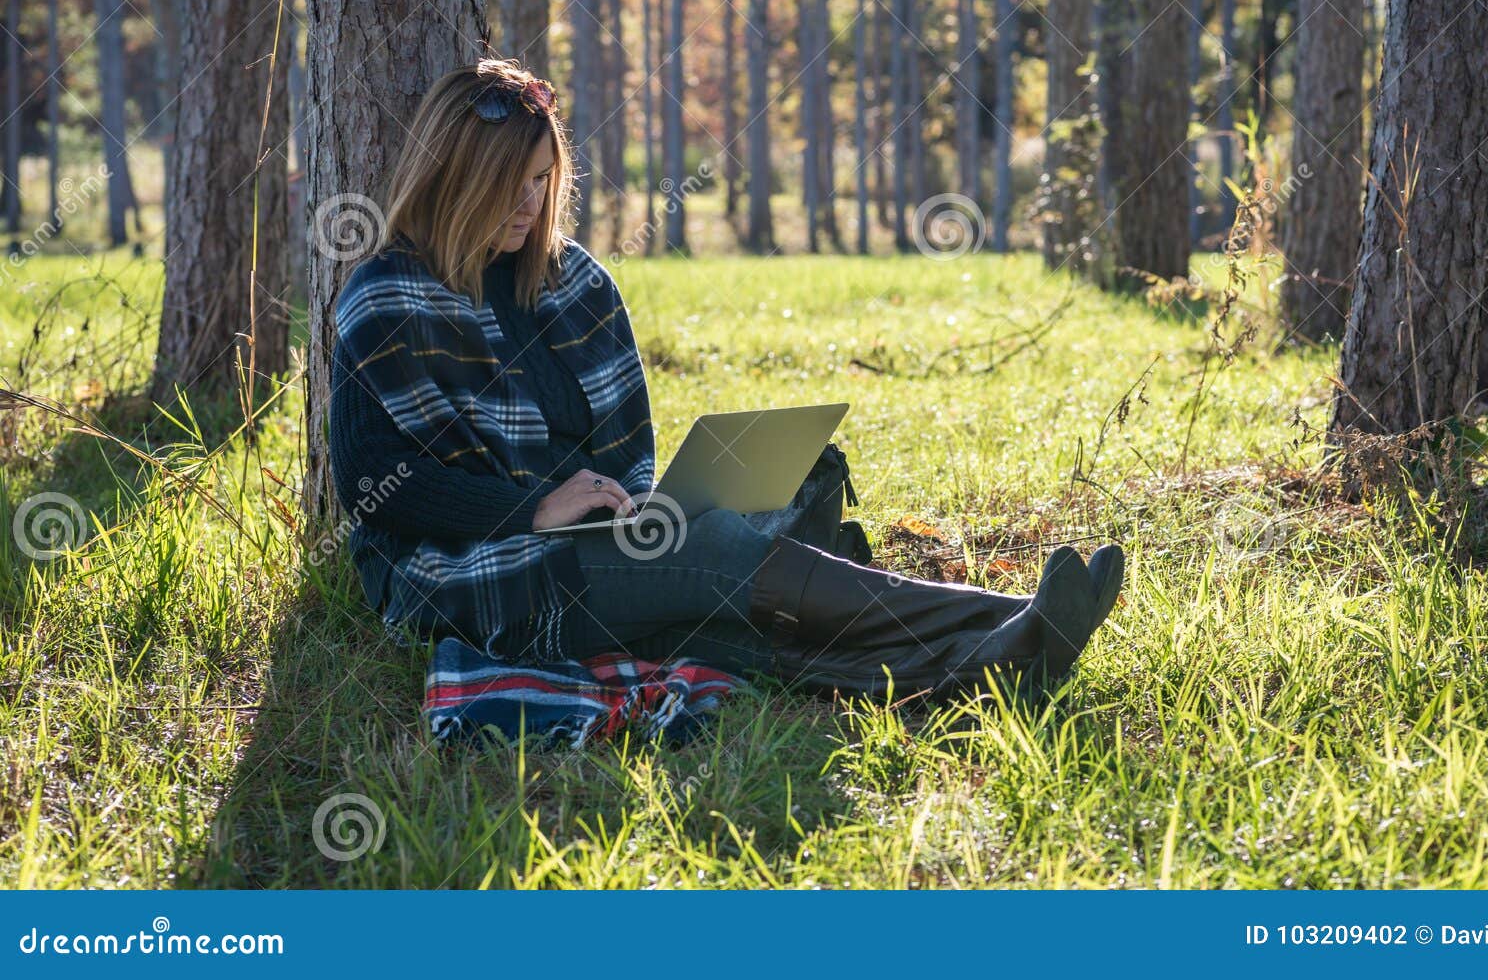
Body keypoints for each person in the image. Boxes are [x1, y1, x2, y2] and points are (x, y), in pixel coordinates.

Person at [329, 58, 1124, 699]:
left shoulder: (575, 284)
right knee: (709, 548)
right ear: (458, 176)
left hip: (601, 545)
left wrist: (637, 501)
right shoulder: (387, 299)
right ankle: (1014, 620)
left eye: (544, 180)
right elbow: (378, 489)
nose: (531, 203)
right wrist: (535, 507)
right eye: (513, 182)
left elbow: (628, 448)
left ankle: (997, 665)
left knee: (759, 561)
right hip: (475, 576)